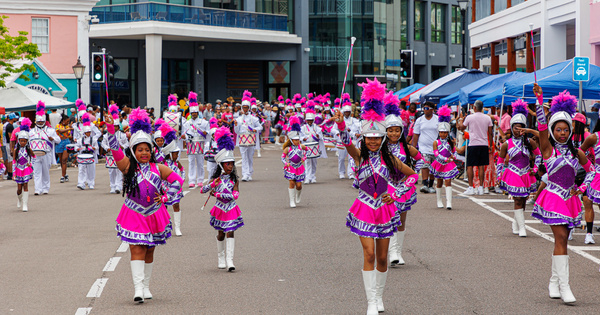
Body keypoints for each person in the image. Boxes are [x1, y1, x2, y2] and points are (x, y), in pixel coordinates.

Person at [336, 79, 417, 315]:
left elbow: (412, 177)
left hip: (384, 210)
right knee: (369, 254)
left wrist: (396, 193)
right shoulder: (359, 157)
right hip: (363, 208)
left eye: (376, 138)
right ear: (364, 139)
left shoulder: (390, 159)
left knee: (382, 259)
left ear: (381, 140)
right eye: (368, 137)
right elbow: (347, 143)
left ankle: (379, 296)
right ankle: (370, 301)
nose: (372, 141)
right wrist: (341, 126)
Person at [105, 108, 183, 303]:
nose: (144, 153)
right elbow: (114, 150)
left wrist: (166, 198)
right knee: (137, 249)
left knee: (149, 249)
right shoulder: (128, 166)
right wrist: (110, 128)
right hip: (134, 213)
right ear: (133, 151)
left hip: (155, 214)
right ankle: (138, 288)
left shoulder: (159, 168)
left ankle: (146, 286)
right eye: (140, 150)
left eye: (147, 149)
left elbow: (177, 181)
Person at [532, 84, 593, 304]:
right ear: (551, 131)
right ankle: (565, 286)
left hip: (570, 200)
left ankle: (553, 281)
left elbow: (592, 171)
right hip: (553, 199)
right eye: (558, 129)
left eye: (565, 129)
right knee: (561, 238)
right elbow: (540, 127)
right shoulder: (548, 149)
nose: (562, 133)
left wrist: (583, 188)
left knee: (564, 239)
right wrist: (539, 101)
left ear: (570, 130)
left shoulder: (576, 152)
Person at [383, 92, 424, 266]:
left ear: (401, 131)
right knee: (386, 219)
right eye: (390, 130)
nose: (393, 133)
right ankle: (388, 250)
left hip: (403, 188)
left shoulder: (406, 148)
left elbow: (420, 159)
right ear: (385, 131)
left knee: (401, 219)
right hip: (385, 187)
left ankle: (397, 252)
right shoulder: (380, 147)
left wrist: (415, 174)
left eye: (397, 130)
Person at [201, 127, 243, 271]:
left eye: (232, 163)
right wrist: (212, 185)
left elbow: (235, 196)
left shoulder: (234, 180)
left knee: (230, 231)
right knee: (220, 234)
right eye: (227, 164)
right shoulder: (216, 179)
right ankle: (221, 257)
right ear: (221, 165)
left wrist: (217, 194)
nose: (230, 166)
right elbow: (202, 190)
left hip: (231, 209)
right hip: (219, 209)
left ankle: (230, 260)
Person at [496, 99, 540, 237]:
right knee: (518, 199)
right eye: (516, 127)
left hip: (526, 174)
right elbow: (500, 160)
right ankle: (522, 228)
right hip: (513, 174)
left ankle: (516, 224)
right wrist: (498, 175)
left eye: (521, 127)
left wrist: (535, 169)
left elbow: (539, 155)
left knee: (524, 199)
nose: (518, 130)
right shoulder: (506, 144)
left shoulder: (530, 142)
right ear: (511, 127)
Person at [457, 100, 493, 195]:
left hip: (473, 144)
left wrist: (461, 119)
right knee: (481, 166)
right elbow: (490, 132)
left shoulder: (470, 117)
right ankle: (481, 187)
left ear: (474, 108)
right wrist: (490, 145)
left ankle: (471, 187)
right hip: (484, 144)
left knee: (470, 166)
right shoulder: (487, 118)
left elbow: (461, 128)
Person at [159, 123, 185, 236]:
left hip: (176, 188)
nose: (177, 155)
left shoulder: (176, 163)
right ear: (169, 154)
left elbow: (182, 170)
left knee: (176, 205)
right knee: (163, 207)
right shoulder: (163, 163)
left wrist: (181, 180)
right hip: (164, 188)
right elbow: (159, 176)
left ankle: (177, 228)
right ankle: (164, 227)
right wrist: (162, 187)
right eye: (175, 153)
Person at [431, 105, 459, 210]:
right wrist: (444, 159)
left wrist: (453, 157)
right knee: (439, 182)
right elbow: (436, 153)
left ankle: (449, 202)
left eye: (445, 132)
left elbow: (454, 151)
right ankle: (439, 201)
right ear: (438, 132)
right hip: (439, 163)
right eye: (441, 132)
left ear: (448, 133)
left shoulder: (450, 142)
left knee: (448, 181)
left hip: (448, 164)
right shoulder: (435, 142)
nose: (443, 134)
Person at [29, 101, 60, 195]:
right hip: (35, 154)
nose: (40, 123)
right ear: (36, 121)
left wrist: (53, 138)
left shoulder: (50, 130)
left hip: (46, 153)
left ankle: (46, 188)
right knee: (37, 172)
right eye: (39, 121)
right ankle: (37, 189)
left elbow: (58, 140)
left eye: (42, 121)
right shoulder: (31, 131)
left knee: (45, 171)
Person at [182, 92, 210, 188]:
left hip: (200, 144)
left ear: (198, 113)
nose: (194, 114)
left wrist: (206, 133)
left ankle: (200, 180)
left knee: (200, 163)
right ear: (190, 113)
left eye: (195, 112)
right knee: (191, 162)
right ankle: (192, 180)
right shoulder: (187, 123)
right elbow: (185, 134)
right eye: (192, 112)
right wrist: (184, 137)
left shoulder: (203, 122)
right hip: (191, 144)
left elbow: (208, 133)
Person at [234, 90, 263, 181]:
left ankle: (250, 173)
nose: (245, 109)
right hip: (242, 139)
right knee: (244, 157)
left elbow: (260, 127)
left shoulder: (253, 118)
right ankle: (244, 174)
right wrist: (235, 125)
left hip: (251, 139)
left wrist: (255, 129)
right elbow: (237, 131)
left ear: (249, 108)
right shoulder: (238, 119)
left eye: (247, 107)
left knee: (250, 157)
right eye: (244, 107)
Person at [412, 102, 438, 193]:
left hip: (435, 147)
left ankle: (431, 185)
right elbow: (416, 135)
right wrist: (413, 148)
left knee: (433, 168)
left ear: (432, 109)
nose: (425, 110)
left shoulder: (437, 119)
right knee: (425, 165)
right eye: (424, 108)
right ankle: (424, 184)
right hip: (423, 147)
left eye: (427, 108)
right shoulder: (419, 120)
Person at [102, 105, 129, 194]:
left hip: (121, 155)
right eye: (114, 126)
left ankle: (118, 186)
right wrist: (107, 148)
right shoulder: (106, 135)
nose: (115, 128)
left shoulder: (123, 135)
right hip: (110, 156)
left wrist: (122, 146)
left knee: (119, 171)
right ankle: (112, 186)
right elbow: (103, 144)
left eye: (116, 126)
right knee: (111, 171)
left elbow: (127, 144)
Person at [282, 116, 306, 208]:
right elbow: (282, 158)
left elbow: (308, 151)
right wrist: (286, 163)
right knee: (292, 183)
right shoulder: (287, 148)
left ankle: (298, 195)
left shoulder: (302, 146)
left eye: (298, 139)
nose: (297, 141)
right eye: (295, 140)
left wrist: (303, 158)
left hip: (299, 167)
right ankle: (291, 201)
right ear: (291, 141)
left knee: (299, 185)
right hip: (291, 167)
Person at [335, 94, 360, 179]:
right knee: (341, 158)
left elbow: (356, 130)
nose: (347, 113)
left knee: (351, 158)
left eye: (348, 112)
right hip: (342, 141)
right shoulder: (339, 119)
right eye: (345, 112)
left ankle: (351, 173)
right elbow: (333, 129)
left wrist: (351, 132)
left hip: (351, 141)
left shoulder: (354, 120)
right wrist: (338, 133)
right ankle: (341, 173)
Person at [301, 101, 326, 184]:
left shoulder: (317, 127)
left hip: (315, 147)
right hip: (307, 147)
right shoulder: (303, 127)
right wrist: (303, 139)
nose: (310, 122)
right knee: (307, 162)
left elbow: (321, 136)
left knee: (314, 163)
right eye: (308, 120)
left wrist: (318, 136)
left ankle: (313, 177)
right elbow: (300, 136)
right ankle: (307, 177)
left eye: (311, 120)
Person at [13, 118, 34, 212]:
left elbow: (34, 157)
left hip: (26, 169)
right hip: (18, 170)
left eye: (25, 141)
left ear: (27, 141)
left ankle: (25, 204)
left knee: (26, 186)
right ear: (18, 141)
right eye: (21, 141)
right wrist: (14, 173)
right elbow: (14, 161)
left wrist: (31, 164)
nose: (23, 143)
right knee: (19, 189)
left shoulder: (28, 149)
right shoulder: (15, 150)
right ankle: (19, 199)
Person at [75, 113, 99, 190]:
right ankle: (81, 183)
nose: (88, 134)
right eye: (87, 132)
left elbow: (96, 147)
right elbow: (76, 147)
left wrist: (93, 148)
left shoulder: (93, 139)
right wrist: (78, 149)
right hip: (82, 156)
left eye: (89, 132)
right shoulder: (80, 140)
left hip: (90, 156)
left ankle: (91, 183)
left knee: (91, 170)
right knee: (81, 169)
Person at [55, 114, 73, 183]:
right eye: (67, 121)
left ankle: (62, 176)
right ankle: (65, 174)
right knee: (61, 161)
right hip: (59, 142)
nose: (68, 123)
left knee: (64, 159)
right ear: (63, 121)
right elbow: (60, 131)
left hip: (66, 142)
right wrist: (69, 129)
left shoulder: (68, 126)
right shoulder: (58, 126)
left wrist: (70, 132)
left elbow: (70, 136)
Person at [2, 113, 17, 180]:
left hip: (6, 143)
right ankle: (10, 174)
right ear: (13, 118)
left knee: (9, 159)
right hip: (9, 144)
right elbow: (10, 136)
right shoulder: (10, 126)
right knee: (10, 159)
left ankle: (9, 173)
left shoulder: (6, 125)